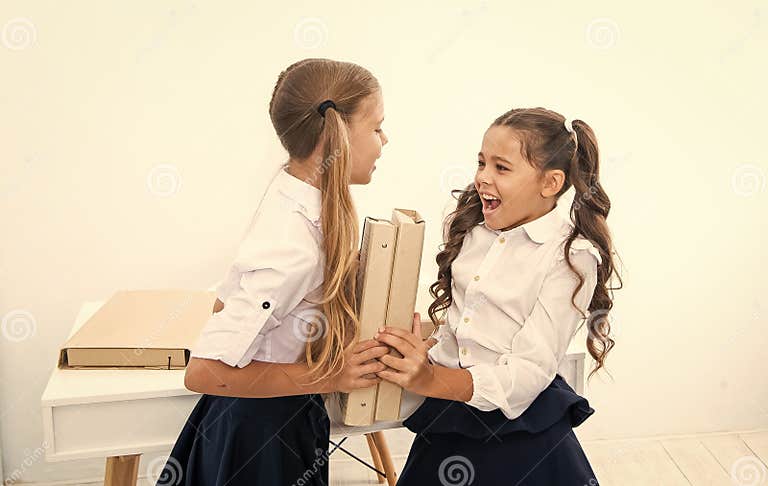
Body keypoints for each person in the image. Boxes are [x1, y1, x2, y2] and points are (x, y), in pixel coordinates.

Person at [155, 58, 389, 486]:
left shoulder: (292, 198)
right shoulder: (293, 245)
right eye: (376, 127)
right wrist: (333, 374)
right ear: (336, 134)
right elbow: (204, 372)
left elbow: (227, 302)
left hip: (273, 419)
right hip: (259, 439)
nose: (384, 140)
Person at [374, 108, 621, 485]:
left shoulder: (570, 257)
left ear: (551, 182)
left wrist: (429, 379)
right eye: (481, 162)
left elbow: (529, 372)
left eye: (501, 168)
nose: (482, 178)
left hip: (520, 434)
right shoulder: (473, 229)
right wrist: (424, 349)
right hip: (451, 416)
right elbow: (462, 327)